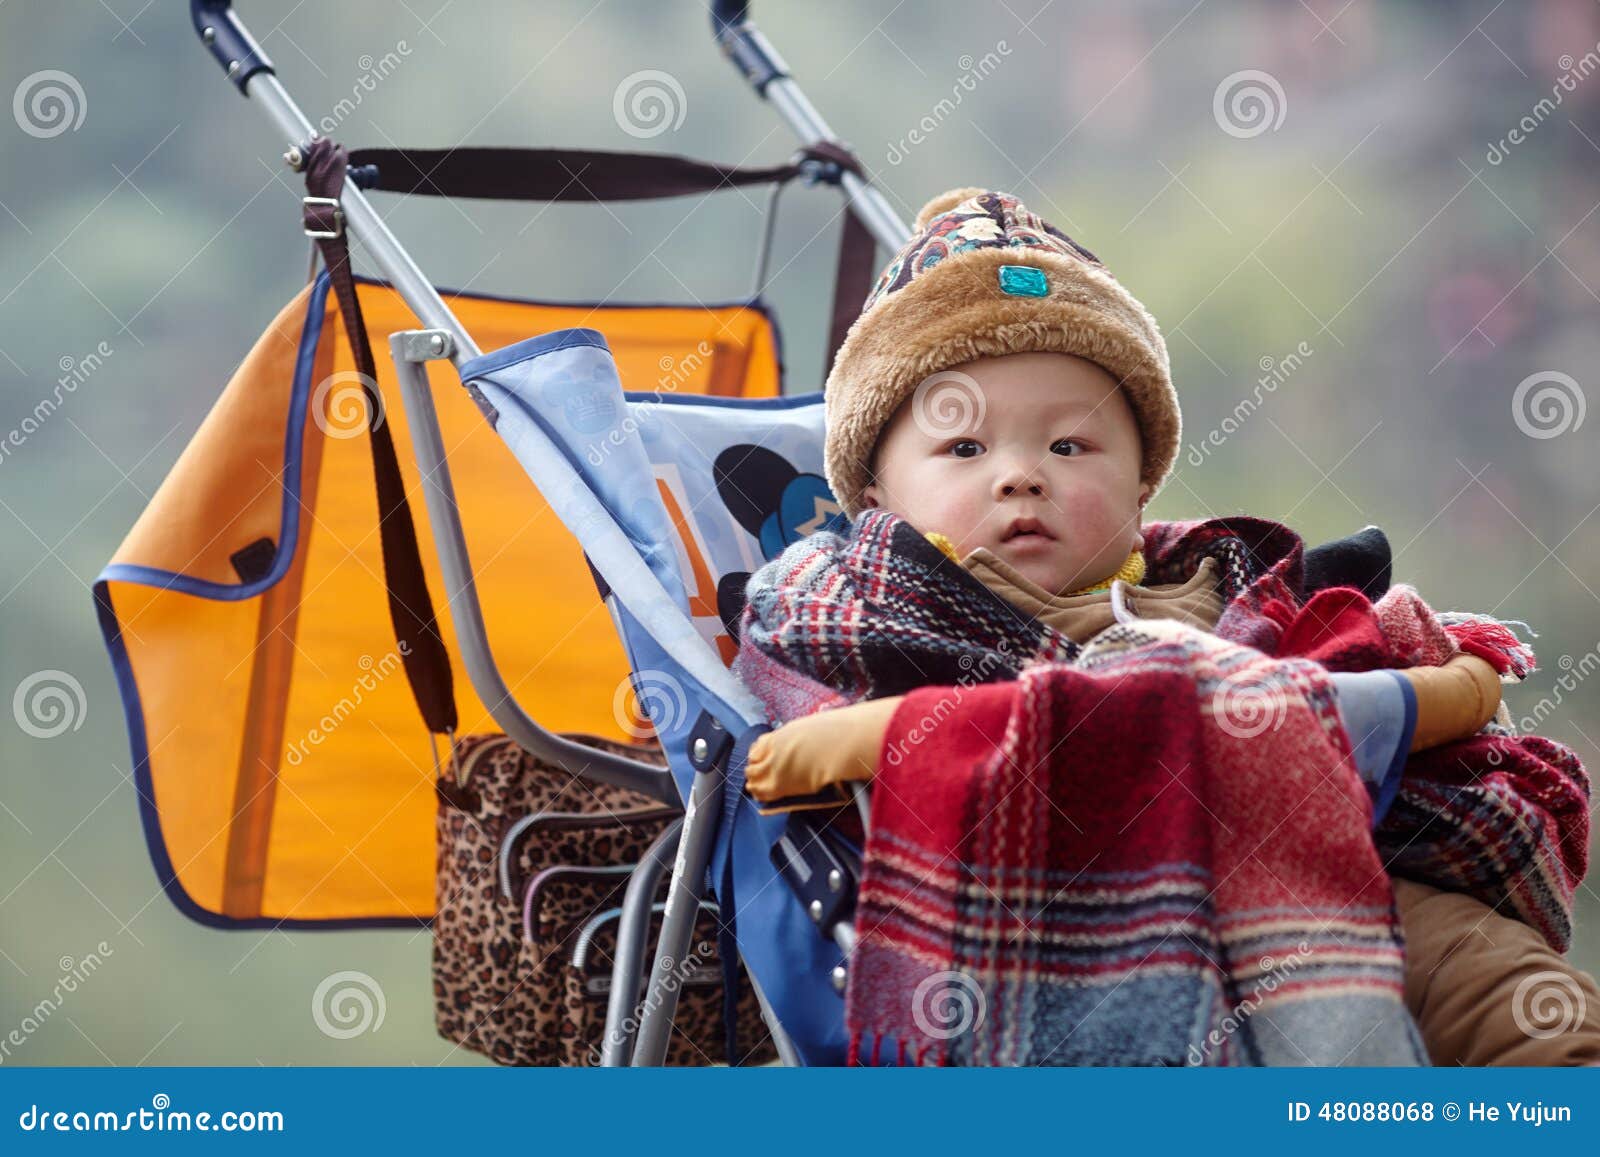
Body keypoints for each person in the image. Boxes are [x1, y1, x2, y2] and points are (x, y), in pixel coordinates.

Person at [732, 187, 1600, 1064]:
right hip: (1056, 912)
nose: (1021, 476)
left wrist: (1412, 678)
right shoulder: (874, 612)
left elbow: (1331, 658)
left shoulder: (1219, 587)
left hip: (1312, 877)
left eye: (1070, 447)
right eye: (965, 448)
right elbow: (841, 722)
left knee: (1514, 996)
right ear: (875, 497)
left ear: (1143, 482)